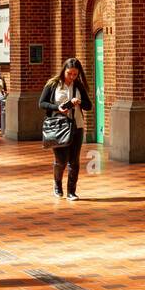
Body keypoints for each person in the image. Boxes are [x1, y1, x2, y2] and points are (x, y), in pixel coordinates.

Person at [39, 58, 93, 201]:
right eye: (69, 73)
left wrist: (79, 102)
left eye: (75, 74)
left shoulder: (79, 85)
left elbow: (89, 106)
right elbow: (42, 103)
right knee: (61, 160)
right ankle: (57, 184)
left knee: (74, 160)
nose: (72, 77)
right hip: (58, 126)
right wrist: (58, 107)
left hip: (77, 126)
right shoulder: (53, 84)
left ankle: (71, 191)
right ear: (64, 70)